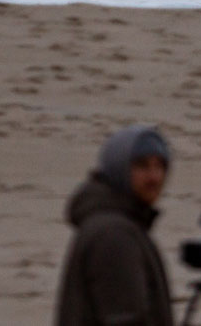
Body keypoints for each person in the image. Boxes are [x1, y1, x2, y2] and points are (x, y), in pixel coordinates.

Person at [54, 126, 176, 326]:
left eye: (160, 166)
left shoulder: (113, 224)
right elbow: (126, 318)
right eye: (142, 166)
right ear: (118, 168)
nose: (154, 177)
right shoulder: (114, 235)